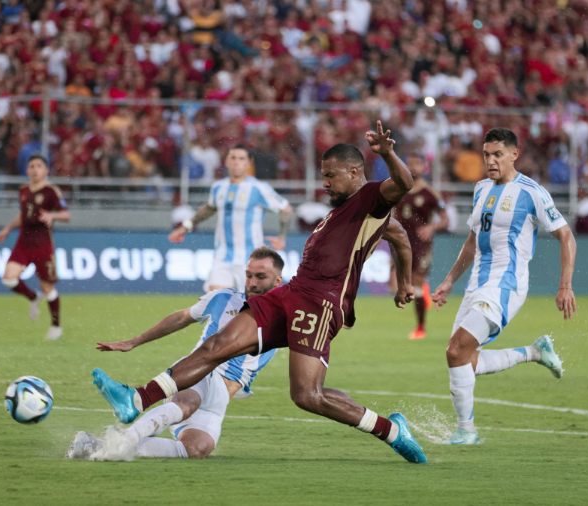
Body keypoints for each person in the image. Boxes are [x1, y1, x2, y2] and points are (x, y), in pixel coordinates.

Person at [92, 121, 429, 464]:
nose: (324, 183)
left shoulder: (371, 198)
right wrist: (403, 282)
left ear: (355, 172)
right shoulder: (348, 211)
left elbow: (404, 184)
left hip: (319, 304)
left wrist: (386, 153)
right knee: (216, 346)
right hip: (291, 292)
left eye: (330, 175)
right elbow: (400, 237)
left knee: (306, 395)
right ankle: (136, 399)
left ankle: (391, 430)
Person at [431, 128, 577, 445]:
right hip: (476, 285)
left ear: (514, 154)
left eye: (497, 154)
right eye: (486, 154)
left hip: (506, 285)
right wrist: (449, 280)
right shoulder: (481, 189)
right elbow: (472, 241)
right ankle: (535, 352)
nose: (490, 161)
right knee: (465, 360)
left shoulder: (531, 192)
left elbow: (566, 235)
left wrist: (565, 285)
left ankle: (466, 431)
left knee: (456, 350)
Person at [67, 248, 284, 460]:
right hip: (199, 371)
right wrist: (135, 341)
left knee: (197, 448)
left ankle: (95, 446)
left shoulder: (285, 320)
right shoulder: (224, 298)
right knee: (186, 403)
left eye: (261, 277)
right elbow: (181, 318)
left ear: (277, 281)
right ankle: (125, 436)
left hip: (219, 399)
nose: (253, 283)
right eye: (248, 275)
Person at [169, 144, 294, 293]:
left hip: (250, 261)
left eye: (241, 159)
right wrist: (186, 226)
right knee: (218, 300)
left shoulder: (258, 188)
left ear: (248, 163)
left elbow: (286, 209)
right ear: (226, 161)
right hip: (222, 258)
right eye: (233, 158)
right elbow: (210, 207)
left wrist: (282, 237)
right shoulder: (218, 187)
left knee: (250, 310)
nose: (236, 162)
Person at [0, 155, 71, 340]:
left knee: (47, 287)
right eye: (32, 166)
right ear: (27, 170)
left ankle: (56, 326)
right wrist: (8, 228)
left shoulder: (52, 191)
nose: (35, 169)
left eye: (39, 166)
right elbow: (24, 214)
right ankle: (32, 297)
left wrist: (53, 216)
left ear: (46, 170)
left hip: (43, 244)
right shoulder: (23, 190)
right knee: (8, 279)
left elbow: (67, 215)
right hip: (23, 242)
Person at [392, 153, 448, 340]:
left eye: (416, 164)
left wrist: (431, 227)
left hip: (422, 244)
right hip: (402, 243)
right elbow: (392, 215)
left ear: (424, 168)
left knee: (416, 280)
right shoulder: (399, 190)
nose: (412, 167)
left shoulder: (430, 193)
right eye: (409, 164)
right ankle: (423, 293)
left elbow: (445, 220)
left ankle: (420, 328)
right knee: (403, 283)